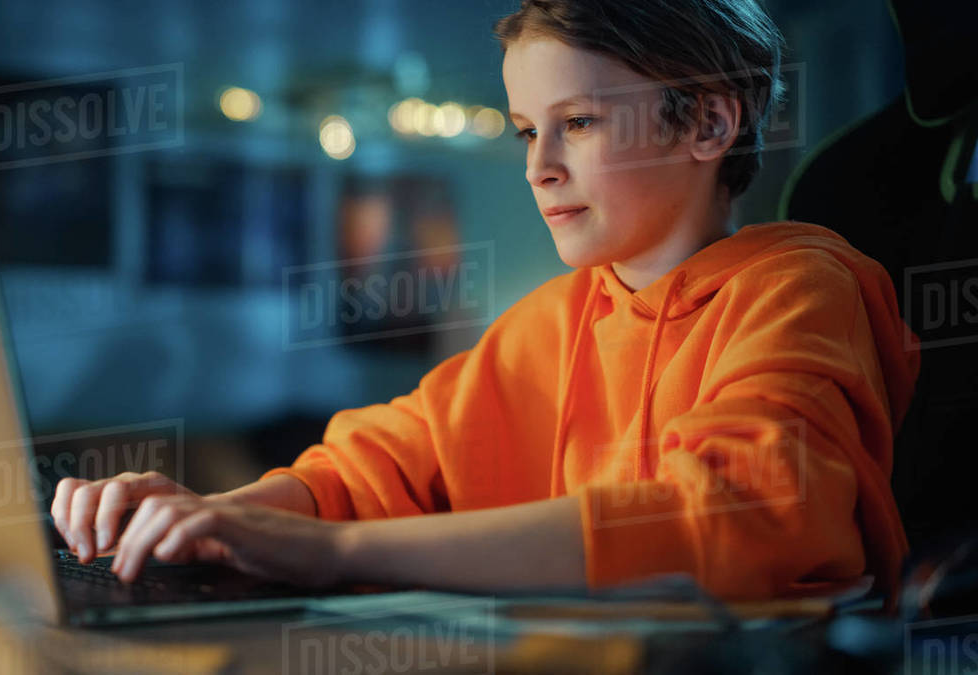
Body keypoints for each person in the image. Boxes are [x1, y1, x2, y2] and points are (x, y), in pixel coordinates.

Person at [50, 0, 920, 600]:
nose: (538, 166)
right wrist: (209, 516)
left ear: (708, 124)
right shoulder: (552, 320)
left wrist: (327, 550)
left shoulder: (797, 286)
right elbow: (381, 463)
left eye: (578, 122)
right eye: (528, 131)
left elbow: (731, 519)